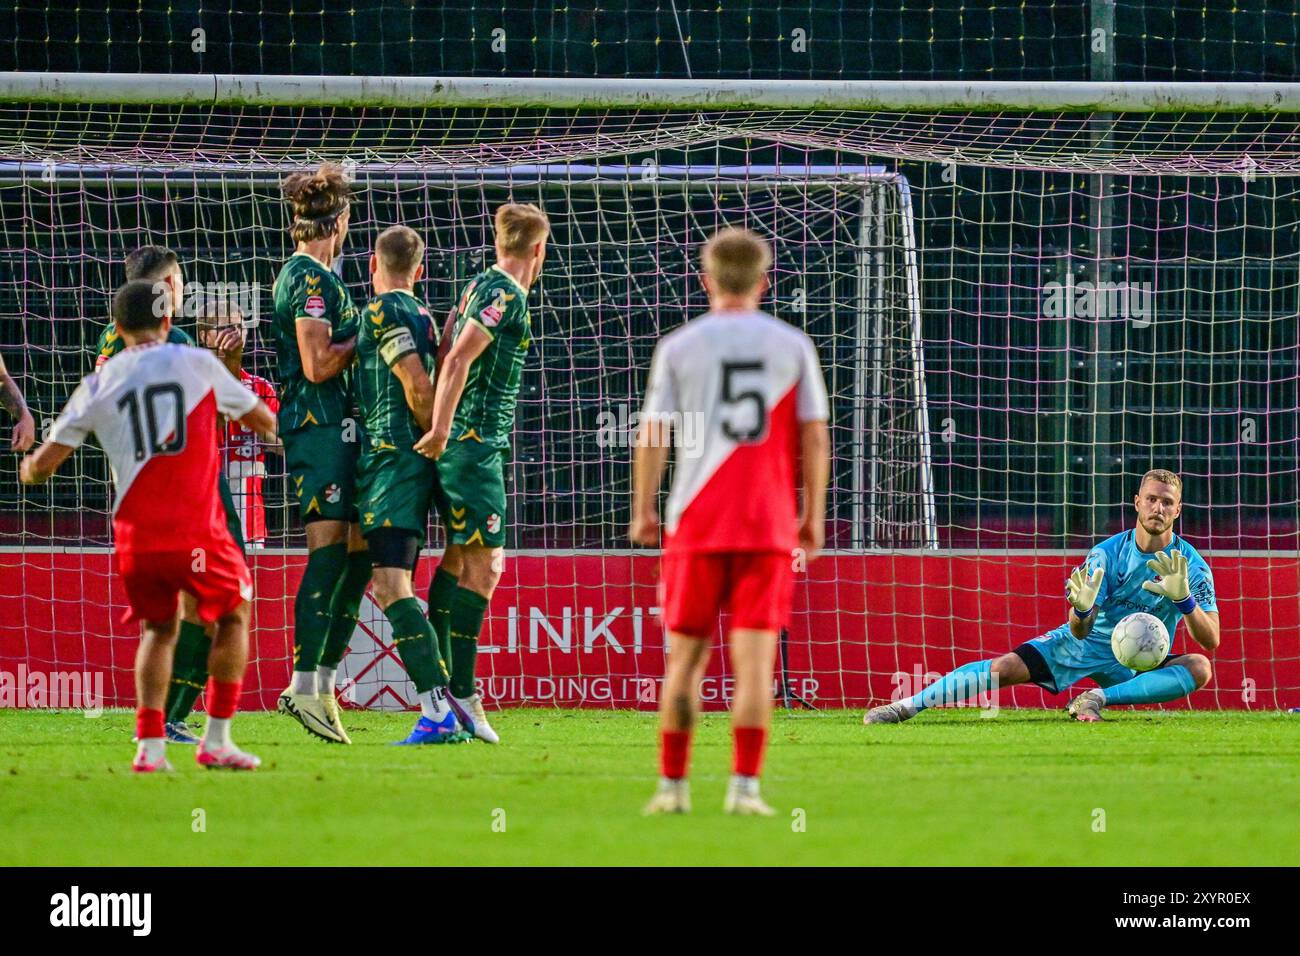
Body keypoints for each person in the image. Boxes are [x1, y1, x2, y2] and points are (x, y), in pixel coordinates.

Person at [21, 279, 275, 772]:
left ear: (118, 328)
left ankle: (150, 748)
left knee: (158, 630)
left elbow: (46, 463)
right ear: (167, 321)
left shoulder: (101, 380)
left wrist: (28, 469)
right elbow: (260, 417)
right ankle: (217, 738)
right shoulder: (196, 363)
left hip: (137, 537)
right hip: (198, 531)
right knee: (235, 613)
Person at [630, 226, 831, 816]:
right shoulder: (792, 345)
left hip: (695, 524)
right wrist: (811, 517)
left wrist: (643, 508)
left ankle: (673, 788)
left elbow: (653, 432)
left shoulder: (680, 345)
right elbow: (814, 436)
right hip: (766, 527)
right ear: (764, 282)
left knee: (685, 663)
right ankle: (744, 790)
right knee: (754, 666)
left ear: (706, 280)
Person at [863, 469, 1220, 725]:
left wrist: (1184, 600)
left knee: (1199, 668)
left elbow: (1211, 639)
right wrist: (1080, 610)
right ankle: (905, 707)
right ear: (1137, 503)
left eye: (1167, 502)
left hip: (1140, 660)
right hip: (1088, 644)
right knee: (1005, 668)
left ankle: (1097, 699)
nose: (1158, 508)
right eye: (1152, 500)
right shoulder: (1107, 555)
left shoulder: (1191, 565)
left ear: (1178, 510)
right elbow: (1080, 630)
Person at [94, 244, 246, 744]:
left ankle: (172, 717)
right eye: (177, 283)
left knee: (201, 604)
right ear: (160, 292)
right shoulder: (147, 341)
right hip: (178, 493)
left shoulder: (146, 340)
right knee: (196, 605)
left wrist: (228, 358)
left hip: (179, 489)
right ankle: (169, 718)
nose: (183, 291)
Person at [413, 203, 551, 744]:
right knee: (487, 566)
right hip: (472, 445)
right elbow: (457, 358)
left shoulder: (478, 284)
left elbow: (448, 343)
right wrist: (443, 429)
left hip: (471, 445)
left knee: (459, 559)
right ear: (537, 250)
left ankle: (447, 692)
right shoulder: (503, 294)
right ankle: (464, 695)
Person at [355, 225, 469, 744]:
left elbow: (418, 387)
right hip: (410, 462)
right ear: (419, 271)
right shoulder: (425, 314)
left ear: (373, 266)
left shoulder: (383, 311)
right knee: (396, 581)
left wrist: (429, 440)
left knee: (390, 585)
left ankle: (438, 707)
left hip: (393, 461)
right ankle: (448, 704)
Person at [270, 163, 370, 744]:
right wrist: (374, 331)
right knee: (330, 551)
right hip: (319, 428)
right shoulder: (309, 280)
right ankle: (303, 681)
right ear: (344, 221)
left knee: (358, 556)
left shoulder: (326, 278)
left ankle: (321, 682)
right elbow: (316, 364)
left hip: (345, 430)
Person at [197, 300, 281, 548]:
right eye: (224, 327)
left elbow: (279, 444)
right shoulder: (193, 382)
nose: (233, 333)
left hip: (249, 515)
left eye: (238, 326)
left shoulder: (260, 387)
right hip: (205, 505)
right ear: (204, 336)